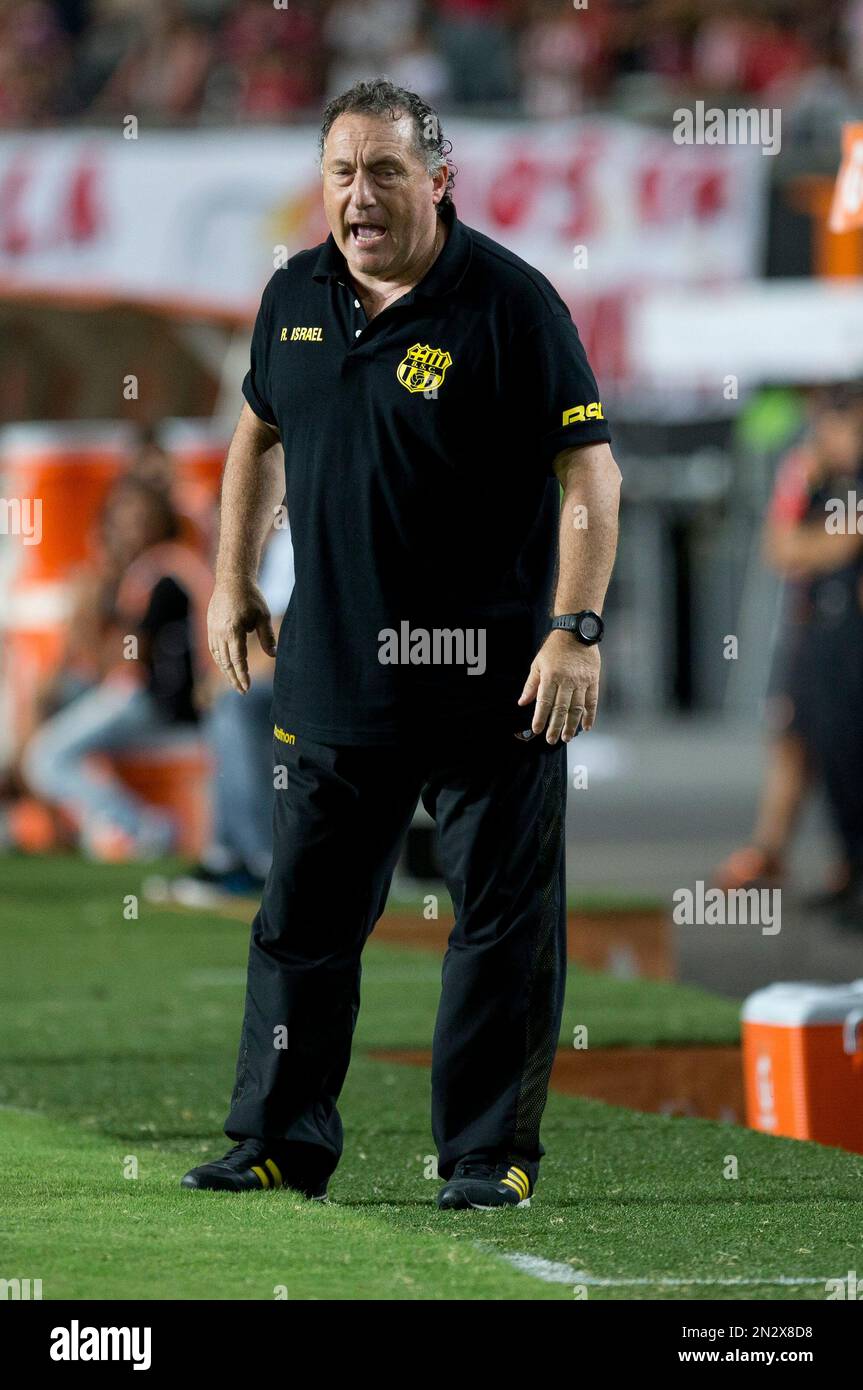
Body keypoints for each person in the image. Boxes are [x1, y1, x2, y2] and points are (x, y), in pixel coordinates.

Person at [181, 79, 620, 1209]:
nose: (358, 195)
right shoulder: (290, 296)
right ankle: (278, 1137)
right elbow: (256, 439)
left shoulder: (511, 305)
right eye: (340, 172)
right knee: (299, 932)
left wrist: (573, 628)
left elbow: (591, 474)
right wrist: (230, 581)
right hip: (333, 677)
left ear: (438, 181)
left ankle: (484, 1156)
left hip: (491, 688)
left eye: (383, 171)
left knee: (497, 932)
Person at [714, 387, 863, 918]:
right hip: (816, 631)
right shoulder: (806, 472)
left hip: (847, 633)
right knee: (794, 736)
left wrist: (827, 541)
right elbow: (783, 548)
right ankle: (775, 851)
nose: (842, 438)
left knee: (843, 747)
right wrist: (834, 538)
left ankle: (838, 863)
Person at [21, 477, 212, 862]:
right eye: (124, 519)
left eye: (142, 518)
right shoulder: (137, 572)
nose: (132, 528)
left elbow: (128, 662)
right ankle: (76, 826)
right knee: (49, 698)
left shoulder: (164, 572)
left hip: (162, 703)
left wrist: (95, 609)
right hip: (149, 697)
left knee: (45, 756)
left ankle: (143, 827)